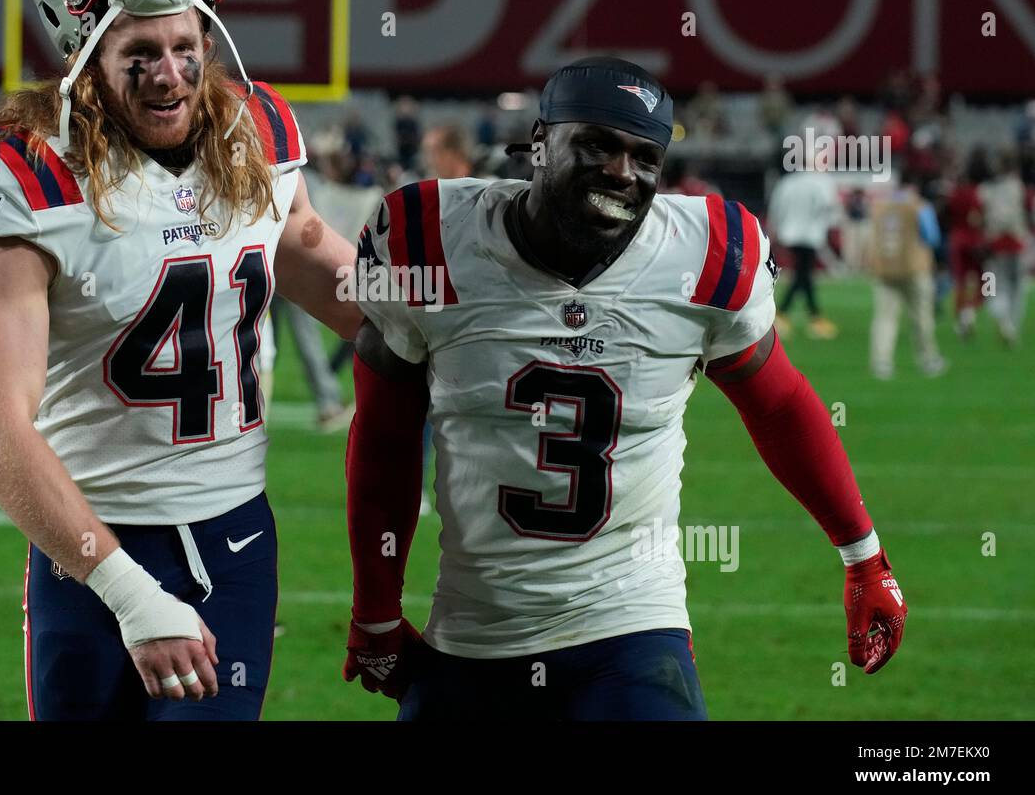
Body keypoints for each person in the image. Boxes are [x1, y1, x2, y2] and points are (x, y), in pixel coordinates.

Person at [341, 57, 908, 720]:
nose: (621, 172)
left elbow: (778, 402)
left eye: (645, 157)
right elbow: (384, 435)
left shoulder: (707, 255)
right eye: (598, 145)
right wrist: (376, 612)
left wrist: (864, 556)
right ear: (540, 141)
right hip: (473, 631)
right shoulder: (428, 239)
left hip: (631, 628)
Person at [0, 0, 361, 721]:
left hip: (236, 535)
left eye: (185, 44)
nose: (170, 74)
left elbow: (331, 271)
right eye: (140, 53)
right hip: (89, 542)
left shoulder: (259, 133)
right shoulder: (27, 172)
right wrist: (130, 594)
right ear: (86, 51)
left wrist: (480, 334)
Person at [768, 122, 843, 340]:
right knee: (804, 276)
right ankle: (798, 317)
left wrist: (777, 231)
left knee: (803, 275)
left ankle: (806, 317)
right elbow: (830, 210)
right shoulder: (823, 182)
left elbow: (776, 208)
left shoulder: (788, 182)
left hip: (790, 233)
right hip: (811, 234)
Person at [866, 181, 947, 379]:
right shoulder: (920, 207)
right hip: (914, 268)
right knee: (921, 316)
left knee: (885, 318)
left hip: (886, 268)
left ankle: (881, 362)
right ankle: (928, 359)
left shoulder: (880, 207)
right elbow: (932, 238)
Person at [978, 154, 1033, 347]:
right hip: (1016, 241)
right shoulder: (1018, 187)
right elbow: (1027, 212)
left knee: (992, 284)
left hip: (995, 243)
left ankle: (1001, 316)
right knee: (1016, 287)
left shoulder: (986, 189)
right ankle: (1012, 324)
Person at [946, 152, 990, 338]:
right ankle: (970, 312)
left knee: (960, 283)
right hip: (975, 242)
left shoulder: (954, 193)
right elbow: (977, 219)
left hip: (957, 241)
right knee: (988, 282)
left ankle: (960, 320)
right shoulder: (979, 194)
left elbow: (947, 215)